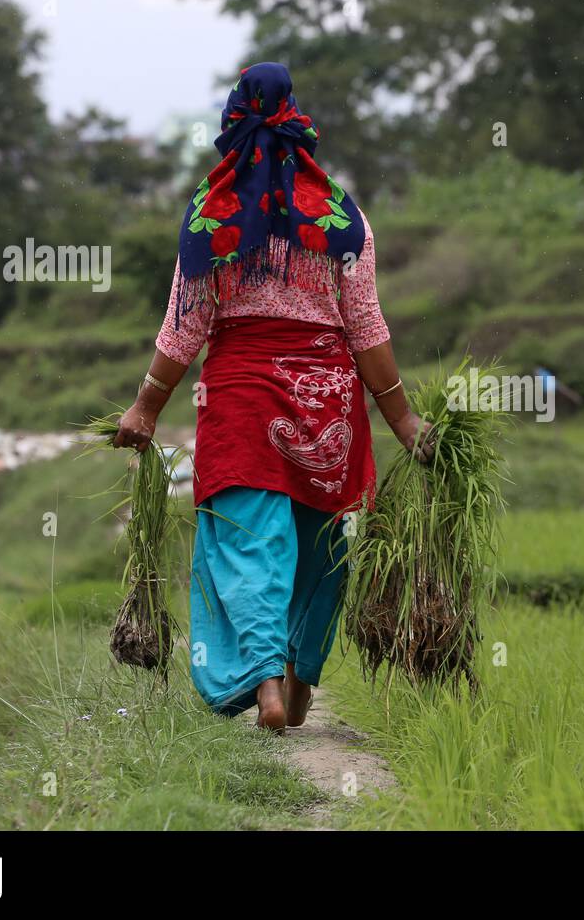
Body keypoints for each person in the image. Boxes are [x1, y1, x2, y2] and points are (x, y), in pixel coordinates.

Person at [112, 62, 432, 732]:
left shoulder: (210, 219)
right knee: (323, 543)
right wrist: (404, 420)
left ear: (233, 123)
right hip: (328, 398)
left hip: (242, 397)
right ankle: (300, 681)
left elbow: (186, 325)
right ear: (297, 123)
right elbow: (364, 324)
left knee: (248, 540)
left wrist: (145, 407)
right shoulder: (342, 221)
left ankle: (265, 688)